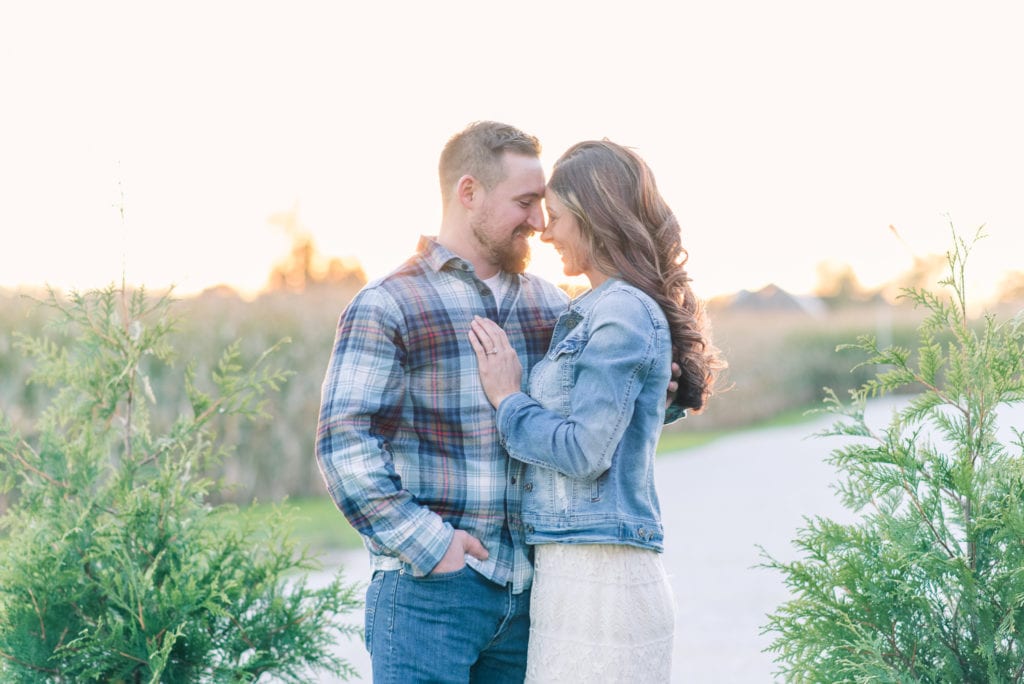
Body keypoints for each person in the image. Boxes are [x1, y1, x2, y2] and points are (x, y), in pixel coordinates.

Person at [314, 121, 569, 683]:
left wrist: (665, 389)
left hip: (531, 601)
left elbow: (591, 419)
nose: (538, 221)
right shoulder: (389, 303)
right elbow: (345, 446)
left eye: (542, 204)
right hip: (428, 596)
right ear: (469, 192)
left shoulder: (552, 307)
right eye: (525, 202)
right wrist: (434, 546)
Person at [468, 139, 723, 683]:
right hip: (576, 568)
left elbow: (585, 451)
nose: (544, 229)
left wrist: (508, 399)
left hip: (601, 578)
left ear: (594, 217)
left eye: (556, 216)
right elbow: (613, 419)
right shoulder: (599, 309)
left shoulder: (622, 312)